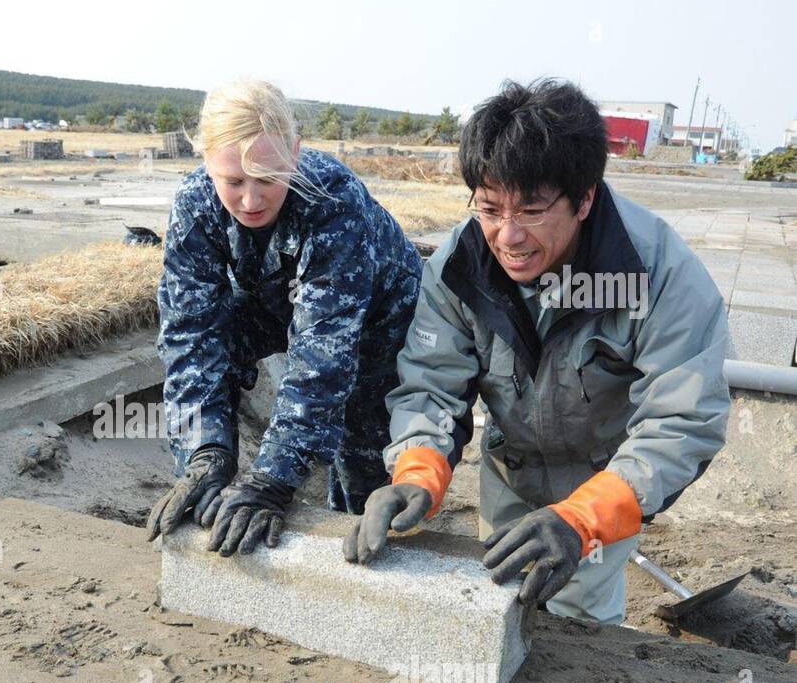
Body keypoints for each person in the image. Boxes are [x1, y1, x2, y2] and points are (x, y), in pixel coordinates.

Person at [347, 79, 730, 625]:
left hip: (604, 483)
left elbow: (683, 419)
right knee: (496, 609)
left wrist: (583, 520)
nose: (508, 236)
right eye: (489, 208)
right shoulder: (459, 267)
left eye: (531, 210)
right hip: (512, 470)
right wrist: (416, 474)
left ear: (585, 198)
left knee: (575, 628)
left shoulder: (658, 273)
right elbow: (431, 385)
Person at [146, 79, 423, 556]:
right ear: (206, 160)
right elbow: (190, 334)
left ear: (294, 153)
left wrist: (273, 480)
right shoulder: (195, 203)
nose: (251, 201)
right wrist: (203, 449)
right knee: (215, 343)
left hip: (380, 323)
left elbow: (323, 356)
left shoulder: (332, 202)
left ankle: (358, 539)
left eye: (268, 179)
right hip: (276, 302)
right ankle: (212, 462)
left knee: (361, 454)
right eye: (233, 182)